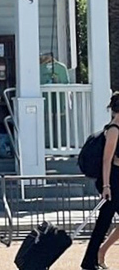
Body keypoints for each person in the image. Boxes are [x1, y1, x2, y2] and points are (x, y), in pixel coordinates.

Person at [81, 92, 119, 270]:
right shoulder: (114, 130)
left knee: (103, 223)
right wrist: (106, 186)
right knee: (103, 223)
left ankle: (98, 254)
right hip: (112, 181)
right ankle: (92, 259)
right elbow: (107, 159)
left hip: (116, 179)